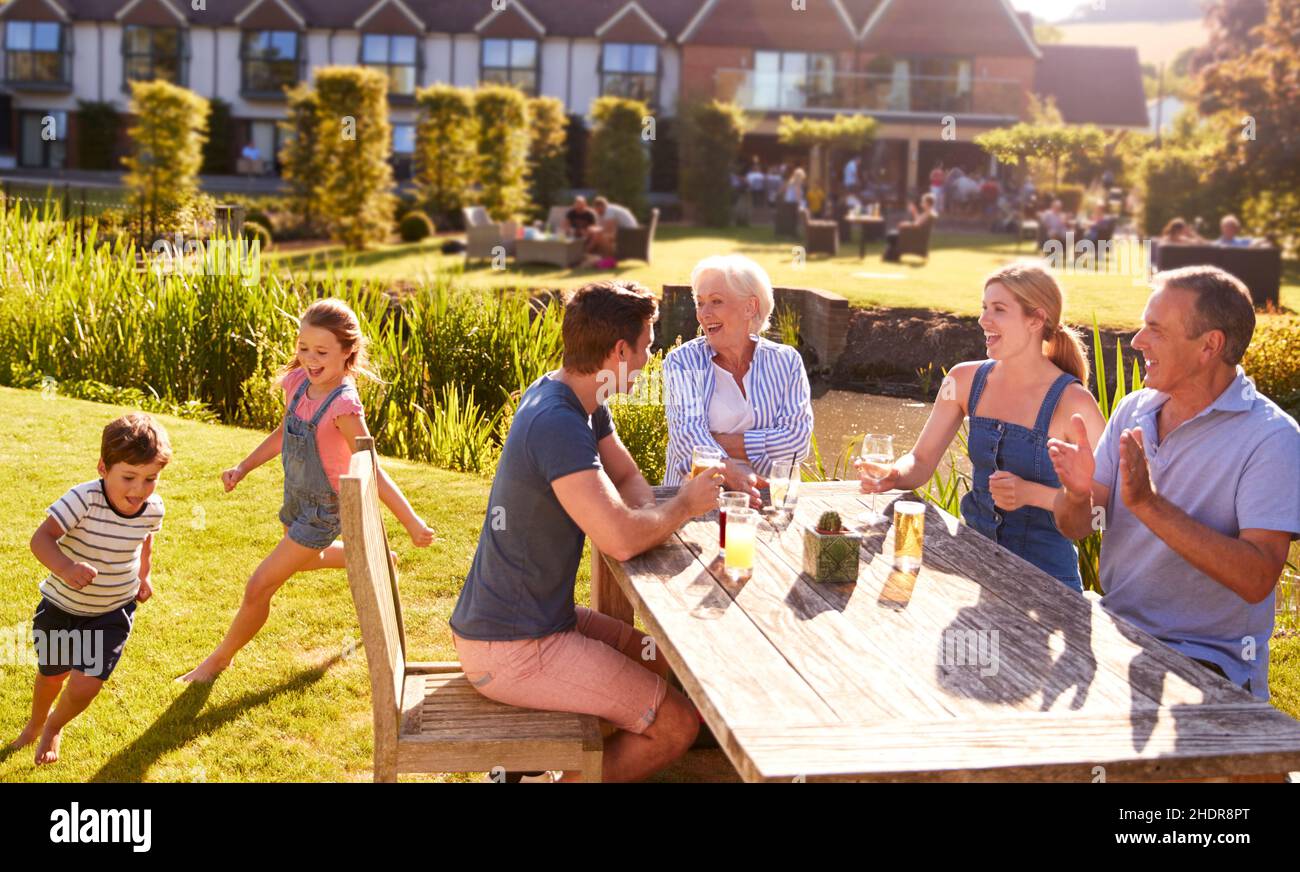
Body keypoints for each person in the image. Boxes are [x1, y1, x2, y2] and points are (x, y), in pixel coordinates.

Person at [450, 280, 722, 782]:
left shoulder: (575, 396)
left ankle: (539, 767)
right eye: (647, 346)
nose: (649, 358)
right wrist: (681, 507)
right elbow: (618, 541)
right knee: (676, 726)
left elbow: (626, 477)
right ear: (619, 350)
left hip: (531, 620)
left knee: (653, 656)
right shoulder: (557, 422)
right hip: (514, 647)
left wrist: (645, 516)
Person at [1051, 266, 1299, 698]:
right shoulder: (1133, 411)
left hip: (1207, 659)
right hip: (1117, 629)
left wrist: (1149, 504)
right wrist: (1076, 494)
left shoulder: (1272, 439)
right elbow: (1078, 526)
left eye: (1156, 330)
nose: (1137, 341)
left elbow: (1257, 576)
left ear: (1210, 345)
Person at [180, 299, 433, 682]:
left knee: (259, 585)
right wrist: (244, 466)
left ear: (348, 352)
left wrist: (411, 520)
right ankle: (378, 558)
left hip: (323, 509)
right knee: (308, 560)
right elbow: (285, 434)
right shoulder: (298, 382)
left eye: (321, 351)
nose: (310, 359)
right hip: (296, 497)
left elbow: (371, 466)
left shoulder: (344, 406)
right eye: (303, 348)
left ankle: (218, 661)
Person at [860, 263, 1104, 591]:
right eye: (984, 307)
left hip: (1046, 585)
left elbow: (1101, 508)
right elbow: (919, 462)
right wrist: (894, 473)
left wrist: (1032, 494)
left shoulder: (1074, 403)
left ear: (1036, 319)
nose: (983, 320)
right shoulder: (962, 380)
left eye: (999, 310)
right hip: (972, 566)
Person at [8, 415, 171, 764]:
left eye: (150, 479)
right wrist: (66, 568)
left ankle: (54, 727)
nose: (139, 490)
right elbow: (41, 539)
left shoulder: (152, 508)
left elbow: (145, 543)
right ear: (103, 467)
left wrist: (144, 576)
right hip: (61, 607)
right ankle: (34, 725)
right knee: (53, 675)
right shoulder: (83, 499)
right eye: (128, 477)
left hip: (112, 610)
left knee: (85, 685)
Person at [663, 255, 812, 493]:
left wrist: (716, 441)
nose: (704, 313)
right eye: (700, 303)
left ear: (749, 307)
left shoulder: (786, 361)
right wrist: (731, 471)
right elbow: (686, 439)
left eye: (716, 301)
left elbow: (797, 443)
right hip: (695, 502)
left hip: (768, 498)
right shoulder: (683, 361)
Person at [881, 192, 937, 262]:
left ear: (927, 203)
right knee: (892, 235)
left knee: (891, 236)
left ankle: (891, 256)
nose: (921, 203)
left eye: (923, 201)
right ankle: (891, 255)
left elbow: (917, 225)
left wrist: (905, 224)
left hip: (913, 236)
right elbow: (918, 222)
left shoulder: (928, 214)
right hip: (916, 234)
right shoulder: (928, 213)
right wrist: (914, 211)